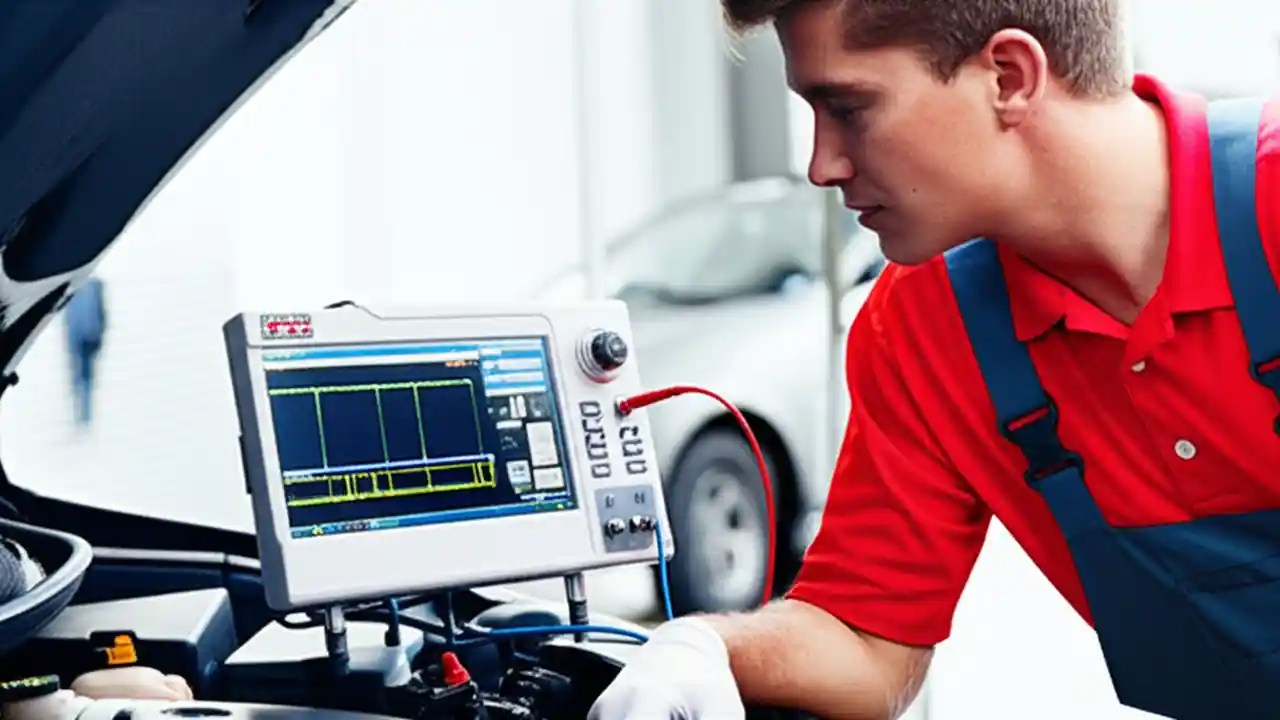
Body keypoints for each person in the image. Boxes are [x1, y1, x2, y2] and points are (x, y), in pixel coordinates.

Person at [589, 0, 1280, 718]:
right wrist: (701, 650)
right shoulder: (924, 325)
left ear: (1009, 77)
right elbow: (864, 639)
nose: (821, 165)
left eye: (849, 108)